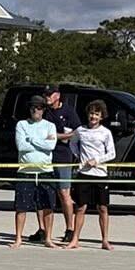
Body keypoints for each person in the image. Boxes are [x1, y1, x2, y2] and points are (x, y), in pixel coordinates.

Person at [11, 96, 59, 249]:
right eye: (33, 107)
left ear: (43, 109)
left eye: (39, 107)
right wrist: (41, 143)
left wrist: (31, 139)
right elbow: (21, 146)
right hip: (26, 170)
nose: (35, 110)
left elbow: (51, 146)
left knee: (48, 206)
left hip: (45, 170)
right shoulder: (22, 124)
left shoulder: (50, 126)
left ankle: (48, 238)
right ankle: (18, 238)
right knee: (21, 207)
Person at [69, 100, 116, 249]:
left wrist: (97, 160)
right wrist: (78, 156)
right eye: (91, 113)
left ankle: (105, 240)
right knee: (81, 207)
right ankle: (75, 239)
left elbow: (112, 153)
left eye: (96, 114)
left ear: (101, 116)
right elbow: (72, 143)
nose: (93, 117)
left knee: (102, 208)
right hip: (84, 174)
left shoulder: (106, 132)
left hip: (100, 174)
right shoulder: (80, 130)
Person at [45, 87, 80, 243]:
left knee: (64, 193)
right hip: (45, 157)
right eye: (45, 94)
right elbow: (42, 134)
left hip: (63, 157)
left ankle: (70, 228)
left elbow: (78, 132)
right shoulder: (44, 112)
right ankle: (43, 229)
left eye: (49, 94)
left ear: (57, 96)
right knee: (44, 194)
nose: (46, 97)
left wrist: (58, 137)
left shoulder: (68, 111)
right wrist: (56, 137)